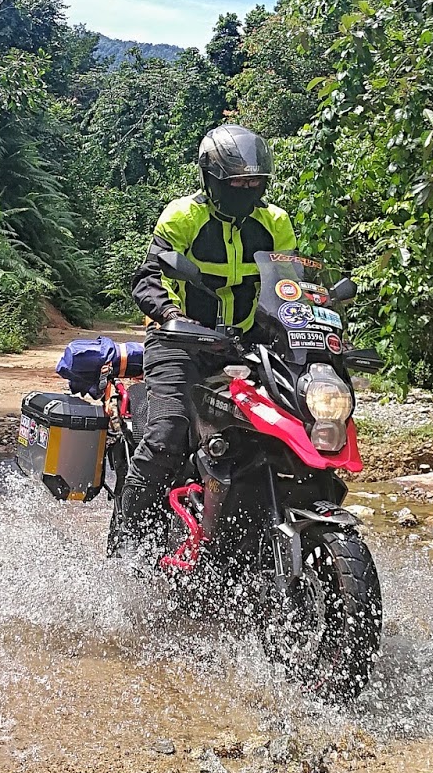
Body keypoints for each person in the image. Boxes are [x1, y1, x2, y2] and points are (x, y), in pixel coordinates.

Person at [111, 124, 296, 557]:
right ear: (211, 179)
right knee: (167, 435)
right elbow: (149, 277)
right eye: (236, 183)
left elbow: (289, 286)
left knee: (292, 430)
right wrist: (172, 316)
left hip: (249, 345)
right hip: (181, 342)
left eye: (254, 183)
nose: (246, 190)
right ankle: (125, 542)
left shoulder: (275, 223)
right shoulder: (183, 217)